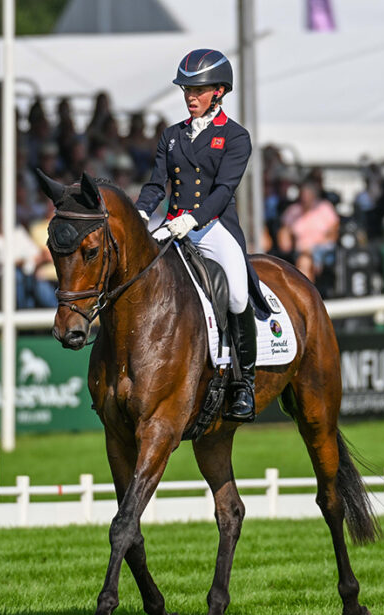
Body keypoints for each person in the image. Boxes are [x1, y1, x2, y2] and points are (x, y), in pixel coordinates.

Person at [134, 48, 261, 422]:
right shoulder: (172, 136)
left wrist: (192, 219)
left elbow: (224, 190)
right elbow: (157, 184)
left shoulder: (236, 137)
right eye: (186, 89)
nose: (190, 96)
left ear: (219, 92)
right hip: (172, 225)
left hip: (214, 226)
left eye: (198, 89)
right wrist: (141, 211)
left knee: (237, 295)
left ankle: (244, 385)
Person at [278, 181, 339, 282]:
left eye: (307, 195)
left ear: (313, 196)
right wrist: (285, 240)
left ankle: (307, 291)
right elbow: (284, 230)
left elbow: (334, 233)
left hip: (323, 248)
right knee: (304, 259)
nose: (305, 198)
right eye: (303, 195)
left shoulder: (324, 208)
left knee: (305, 261)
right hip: (300, 250)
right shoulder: (293, 211)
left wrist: (314, 247)